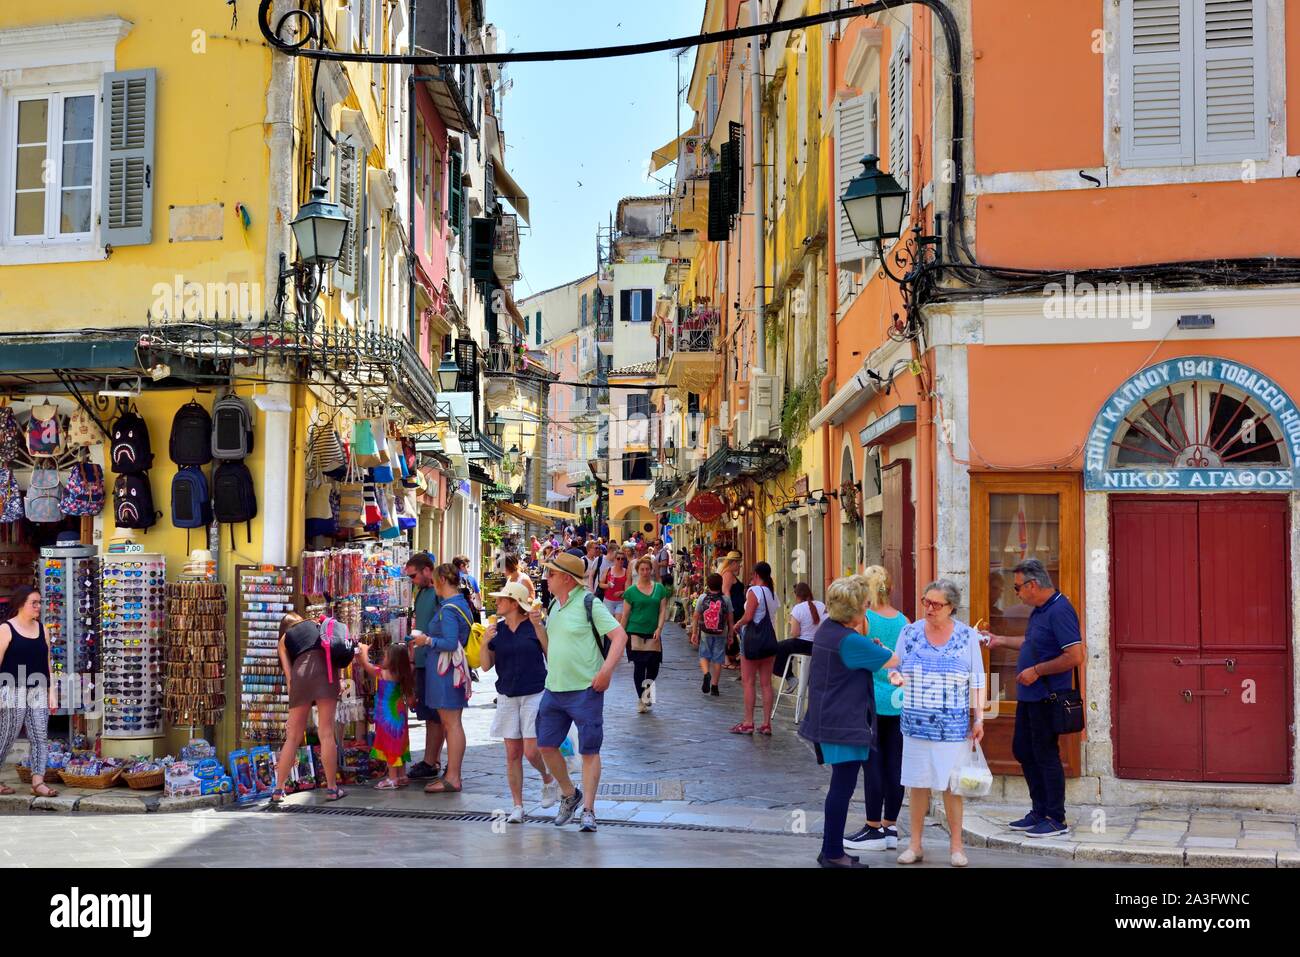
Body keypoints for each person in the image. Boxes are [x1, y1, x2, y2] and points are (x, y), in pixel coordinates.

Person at [799, 576, 903, 868]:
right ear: (855, 610)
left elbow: (866, 654)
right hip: (843, 723)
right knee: (842, 789)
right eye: (865, 605)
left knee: (839, 787)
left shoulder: (828, 631)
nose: (868, 609)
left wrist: (872, 647)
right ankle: (833, 854)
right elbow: (892, 659)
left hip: (830, 719)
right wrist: (880, 649)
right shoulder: (849, 640)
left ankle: (829, 849)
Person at [982, 558, 1084, 839]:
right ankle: (1039, 811)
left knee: (1045, 754)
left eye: (1017, 588)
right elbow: (1032, 643)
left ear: (1033, 585)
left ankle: (1055, 817)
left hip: (1046, 697)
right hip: (1030, 697)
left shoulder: (1060, 610)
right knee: (1024, 750)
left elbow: (1075, 656)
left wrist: (1037, 671)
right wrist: (1000, 640)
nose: (1015, 593)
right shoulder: (1040, 610)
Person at [533, 551, 630, 832]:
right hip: (555, 687)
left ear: (566, 578)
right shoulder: (554, 605)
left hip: (585, 689)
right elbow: (551, 650)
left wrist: (606, 672)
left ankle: (588, 810)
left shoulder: (589, 602)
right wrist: (538, 625)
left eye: (551, 574)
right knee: (546, 745)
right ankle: (569, 793)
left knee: (589, 750)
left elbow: (619, 637)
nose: (546, 578)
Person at [894, 580, 986, 867]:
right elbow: (895, 668)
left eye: (936, 604)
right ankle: (915, 845)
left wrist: (980, 717)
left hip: (953, 727)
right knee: (917, 784)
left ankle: (956, 847)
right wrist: (898, 681)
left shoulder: (967, 636)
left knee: (951, 786)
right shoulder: (909, 632)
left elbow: (978, 679)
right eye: (926, 602)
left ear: (951, 607)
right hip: (915, 723)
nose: (929, 608)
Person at [481, 579, 559, 822]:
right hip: (506, 695)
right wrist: (484, 642)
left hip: (534, 692)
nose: (497, 602)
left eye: (502, 599)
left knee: (531, 751)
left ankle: (548, 778)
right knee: (512, 753)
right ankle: (518, 806)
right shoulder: (498, 630)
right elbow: (485, 666)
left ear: (515, 603)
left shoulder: (533, 625)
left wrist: (539, 629)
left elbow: (551, 655)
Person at [844, 566, 910, 852]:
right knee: (896, 764)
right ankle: (891, 826)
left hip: (872, 700)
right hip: (898, 699)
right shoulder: (904, 620)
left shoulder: (865, 619)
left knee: (873, 764)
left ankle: (872, 827)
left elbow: (858, 659)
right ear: (890, 588)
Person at [409, 564, 474, 794]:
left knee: (452, 723)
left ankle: (453, 776)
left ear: (443, 581)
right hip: (450, 671)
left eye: (436, 581)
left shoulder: (448, 609)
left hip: (446, 672)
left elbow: (449, 641)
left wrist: (427, 641)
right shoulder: (460, 604)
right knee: (452, 723)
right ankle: (452, 774)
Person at [271, 613, 344, 802]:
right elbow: (333, 649)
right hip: (326, 674)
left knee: (293, 737)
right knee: (326, 733)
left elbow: (289, 678)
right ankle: (332, 788)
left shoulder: (284, 639)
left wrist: (295, 697)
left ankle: (278, 790)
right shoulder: (316, 625)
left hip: (300, 675)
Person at [0, 586, 57, 798]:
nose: (38, 607)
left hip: (39, 688)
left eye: (40, 602)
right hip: (11, 689)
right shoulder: (6, 629)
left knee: (40, 736)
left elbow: (47, 662)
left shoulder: (43, 629)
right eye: (34, 602)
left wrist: (52, 692)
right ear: (21, 604)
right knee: (6, 737)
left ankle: (38, 781)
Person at [728, 561, 781, 735]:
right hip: (769, 640)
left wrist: (737, 624)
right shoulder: (773, 594)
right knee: (766, 684)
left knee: (748, 682)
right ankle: (766, 723)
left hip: (752, 640)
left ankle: (749, 721)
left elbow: (749, 615)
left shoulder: (754, 591)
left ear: (756, 574)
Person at [403, 555, 443, 779]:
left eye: (414, 576)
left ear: (427, 570)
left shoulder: (440, 593)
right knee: (429, 714)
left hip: (434, 659)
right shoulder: (421, 593)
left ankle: (431, 761)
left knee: (437, 715)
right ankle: (431, 759)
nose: (412, 581)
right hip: (421, 659)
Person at [355, 642, 414, 789]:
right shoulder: (405, 672)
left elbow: (364, 663)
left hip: (387, 714)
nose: (383, 657)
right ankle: (401, 775)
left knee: (390, 745)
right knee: (399, 742)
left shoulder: (383, 673)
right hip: (400, 713)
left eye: (386, 655)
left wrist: (364, 650)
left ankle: (392, 778)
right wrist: (411, 650)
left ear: (392, 660)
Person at [619, 556, 670, 713]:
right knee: (639, 666)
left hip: (653, 632)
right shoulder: (631, 592)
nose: (645, 572)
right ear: (637, 571)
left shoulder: (659, 589)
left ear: (652, 571)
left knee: (653, 667)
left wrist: (659, 628)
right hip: (635, 631)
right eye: (642, 569)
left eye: (648, 569)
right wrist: (620, 635)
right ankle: (642, 698)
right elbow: (625, 615)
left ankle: (647, 693)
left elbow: (662, 610)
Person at [773, 582, 825, 688]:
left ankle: (790, 677)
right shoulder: (821, 605)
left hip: (803, 645)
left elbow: (795, 633)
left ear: (796, 595)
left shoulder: (798, 608)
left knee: (778, 648)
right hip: (819, 645)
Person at [690, 572, 733, 697]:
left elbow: (696, 616)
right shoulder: (725, 599)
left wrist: (694, 632)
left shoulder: (702, 598)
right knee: (718, 659)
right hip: (721, 632)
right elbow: (730, 618)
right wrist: (730, 633)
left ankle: (706, 674)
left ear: (708, 585)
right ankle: (714, 686)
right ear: (721, 584)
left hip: (705, 632)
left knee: (704, 655)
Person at [719, 551, 745, 671]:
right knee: (731, 632)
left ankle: (731, 657)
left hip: (736, 608)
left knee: (732, 632)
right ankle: (726, 659)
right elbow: (726, 592)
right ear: (734, 562)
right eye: (739, 563)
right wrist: (730, 610)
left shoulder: (729, 573)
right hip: (734, 608)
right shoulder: (728, 574)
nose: (740, 565)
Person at [598, 551, 629, 617]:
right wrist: (608, 585)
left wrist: (622, 592)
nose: (620, 560)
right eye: (618, 558)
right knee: (609, 623)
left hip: (621, 601)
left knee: (618, 622)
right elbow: (601, 584)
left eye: (622, 559)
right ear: (614, 559)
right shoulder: (608, 570)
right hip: (608, 601)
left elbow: (628, 588)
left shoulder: (626, 571)